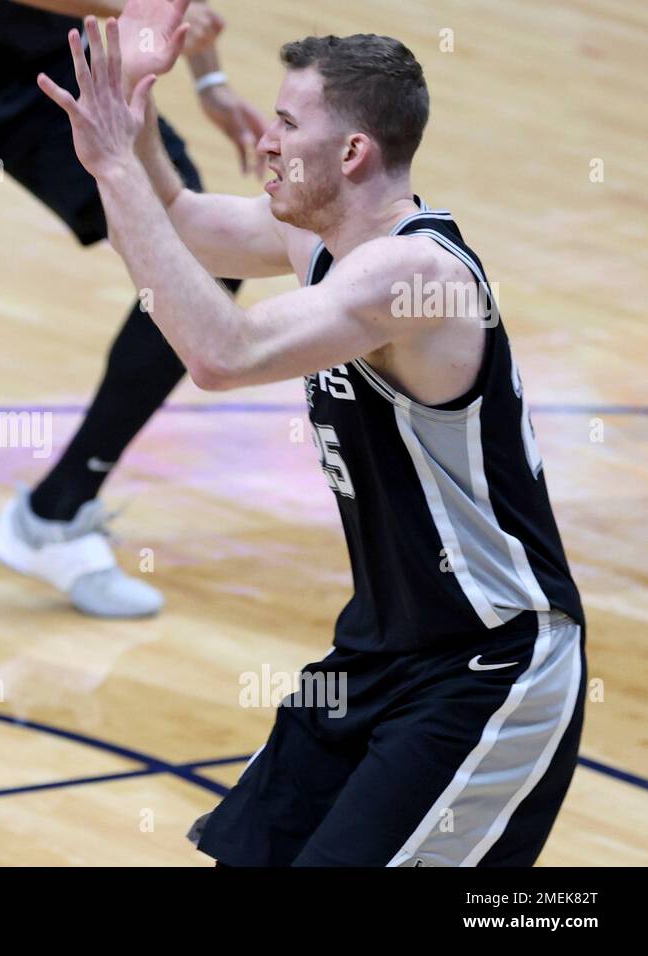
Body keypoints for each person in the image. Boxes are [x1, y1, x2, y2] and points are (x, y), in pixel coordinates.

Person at [39, 1, 585, 865]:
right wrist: (135, 106)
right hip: (374, 652)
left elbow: (224, 352)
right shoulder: (316, 242)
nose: (266, 140)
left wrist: (113, 163)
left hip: (490, 659)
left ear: (355, 152)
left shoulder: (418, 273)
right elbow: (173, 222)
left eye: (288, 124)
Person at [0, 0, 265, 616]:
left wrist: (209, 78)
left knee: (198, 267)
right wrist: (139, 14)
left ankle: (53, 517)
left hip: (72, 66)